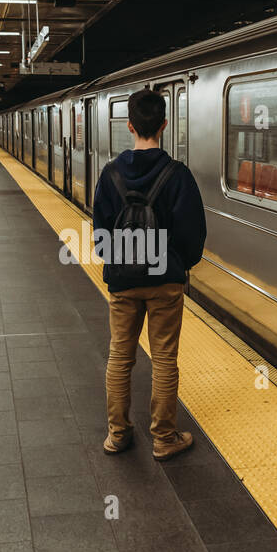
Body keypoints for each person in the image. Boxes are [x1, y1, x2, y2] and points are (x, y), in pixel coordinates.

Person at [91, 89, 206, 461]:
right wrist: (179, 265)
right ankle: (164, 438)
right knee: (165, 358)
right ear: (165, 125)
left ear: (128, 125)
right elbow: (193, 234)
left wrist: (119, 261)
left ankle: (117, 434)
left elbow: (101, 236)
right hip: (165, 281)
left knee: (120, 356)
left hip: (123, 282)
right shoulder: (178, 175)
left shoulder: (110, 174)